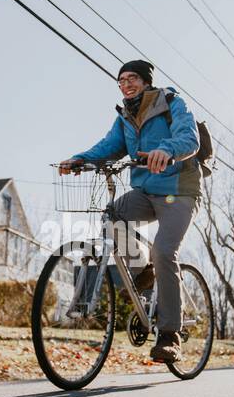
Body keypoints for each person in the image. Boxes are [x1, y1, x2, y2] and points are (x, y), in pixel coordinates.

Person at [60, 60, 201, 363]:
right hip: (147, 191)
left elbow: (190, 138)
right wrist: (79, 159)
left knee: (164, 251)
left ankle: (170, 335)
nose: (126, 84)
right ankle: (144, 270)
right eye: (121, 80)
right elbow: (109, 146)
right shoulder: (125, 116)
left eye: (132, 78)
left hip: (180, 191)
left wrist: (167, 150)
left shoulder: (172, 102)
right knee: (112, 216)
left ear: (147, 82)